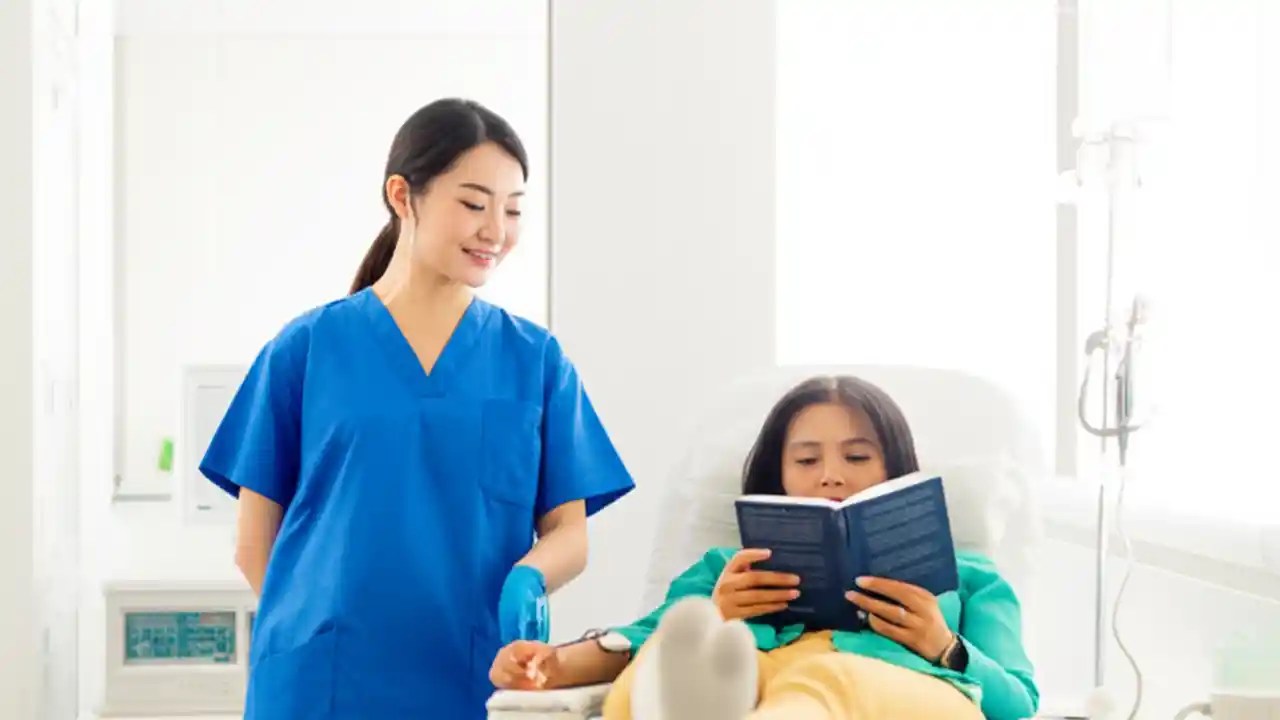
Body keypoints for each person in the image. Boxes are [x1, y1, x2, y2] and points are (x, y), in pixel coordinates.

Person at [200, 98, 634, 720]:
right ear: (403, 196)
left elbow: (569, 532)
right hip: (322, 686)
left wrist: (528, 576)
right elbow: (253, 544)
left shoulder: (534, 361)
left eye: (512, 210)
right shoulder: (306, 349)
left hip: (473, 678)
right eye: (474, 203)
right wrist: (309, 636)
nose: (496, 230)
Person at [489, 375, 1039, 720]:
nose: (830, 477)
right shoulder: (724, 570)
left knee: (825, 680)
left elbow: (1018, 704)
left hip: (898, 691)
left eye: (856, 457)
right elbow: (641, 638)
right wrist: (550, 665)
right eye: (806, 460)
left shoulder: (970, 577)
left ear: (895, 467)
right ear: (777, 478)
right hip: (750, 673)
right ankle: (693, 704)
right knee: (668, 658)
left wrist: (945, 646)